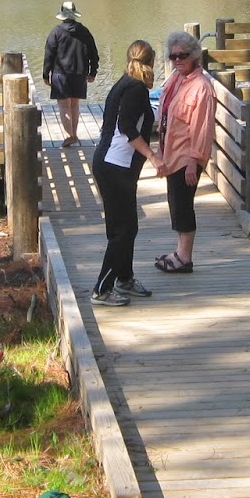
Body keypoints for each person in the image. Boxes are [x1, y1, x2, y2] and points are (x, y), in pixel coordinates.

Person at [90, 41, 166, 306]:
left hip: (111, 164)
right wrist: (154, 156)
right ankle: (102, 288)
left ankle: (125, 278)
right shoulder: (135, 89)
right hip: (115, 166)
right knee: (124, 230)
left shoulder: (124, 82)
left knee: (122, 227)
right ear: (152, 61)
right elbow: (127, 129)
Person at [153, 31, 216, 275]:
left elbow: (202, 127)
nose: (177, 60)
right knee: (176, 203)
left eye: (183, 55)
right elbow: (166, 115)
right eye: (173, 56)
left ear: (194, 56)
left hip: (187, 157)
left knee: (183, 204)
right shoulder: (176, 79)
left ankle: (185, 258)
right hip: (172, 153)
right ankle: (179, 252)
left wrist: (194, 161)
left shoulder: (201, 87)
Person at [42, 1, 99, 147]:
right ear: (74, 15)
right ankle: (74, 134)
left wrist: (45, 74)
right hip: (79, 74)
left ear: (62, 15)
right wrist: (93, 72)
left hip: (61, 75)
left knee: (64, 107)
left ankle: (70, 135)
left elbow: (49, 54)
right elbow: (94, 53)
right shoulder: (85, 32)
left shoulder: (56, 32)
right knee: (74, 105)